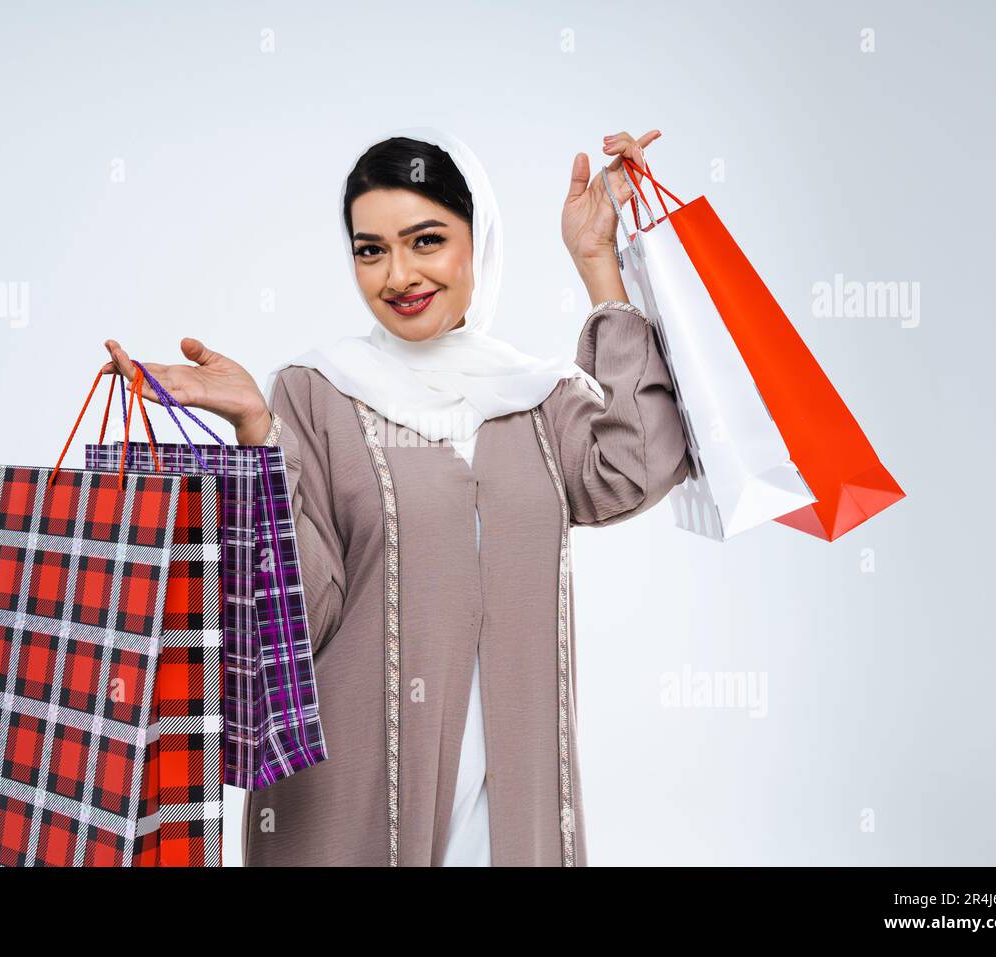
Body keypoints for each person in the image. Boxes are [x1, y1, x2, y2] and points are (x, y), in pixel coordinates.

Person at [102, 125, 690, 866]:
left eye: (427, 239)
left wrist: (598, 261)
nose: (398, 275)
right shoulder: (315, 392)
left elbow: (638, 466)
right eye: (371, 249)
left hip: (509, 818)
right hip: (354, 811)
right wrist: (258, 433)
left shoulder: (538, 397)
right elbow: (300, 617)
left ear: (479, 239)